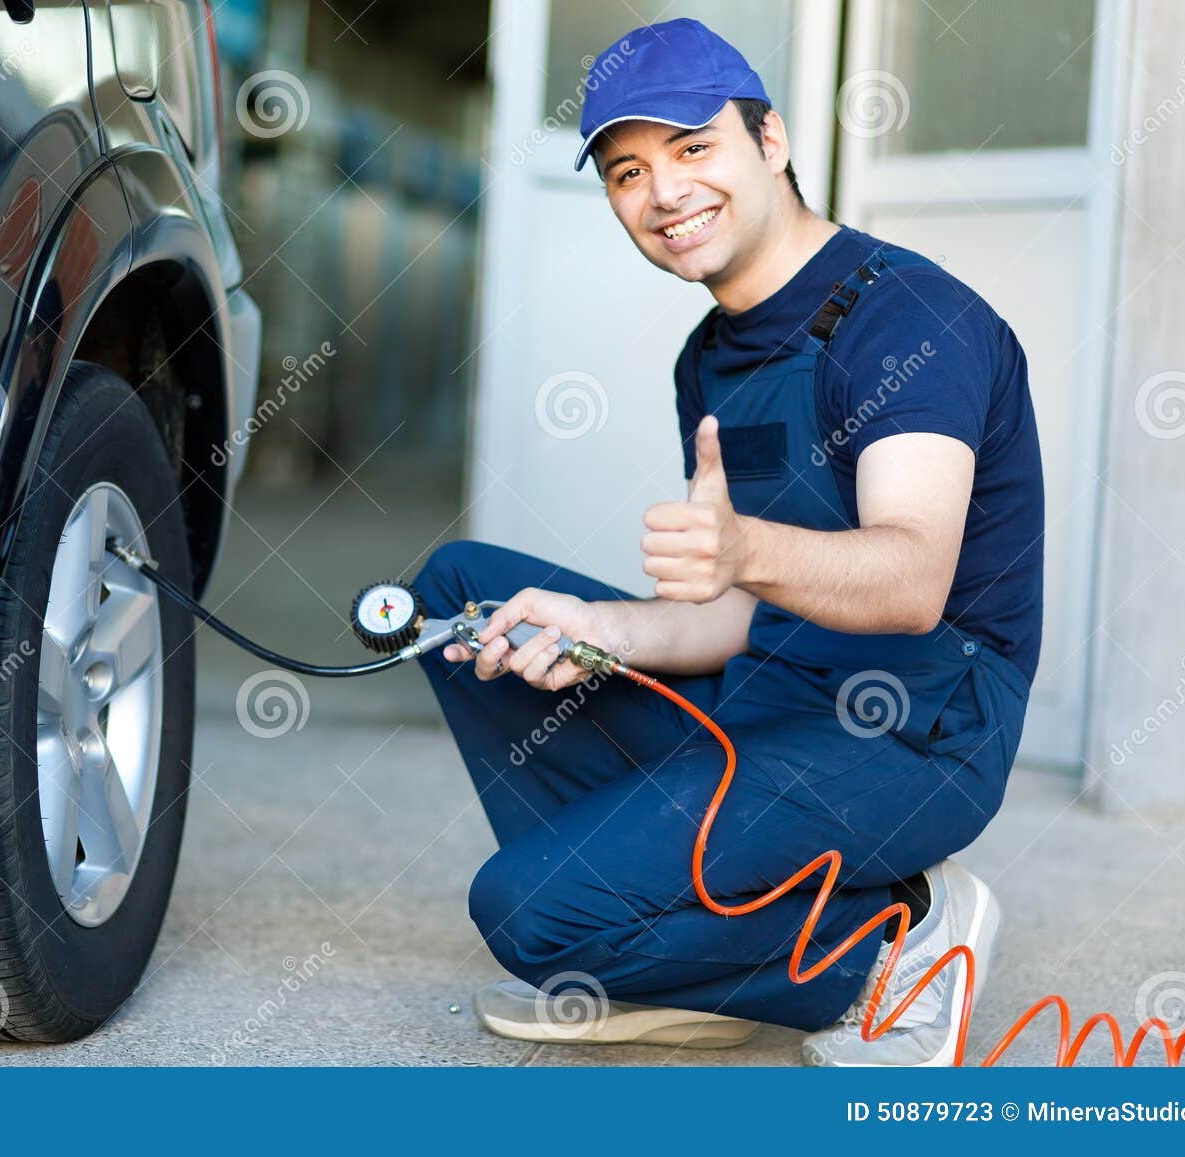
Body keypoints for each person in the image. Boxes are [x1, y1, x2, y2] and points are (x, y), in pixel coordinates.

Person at [413, 17, 1043, 1066]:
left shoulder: (907, 320)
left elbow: (913, 577)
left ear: (771, 142)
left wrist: (743, 546)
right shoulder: (708, 357)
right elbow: (727, 608)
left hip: (914, 727)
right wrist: (597, 624)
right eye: (626, 171)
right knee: (465, 593)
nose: (663, 193)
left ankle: (889, 945)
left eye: (691, 148)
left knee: (525, 913)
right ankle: (647, 944)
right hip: (774, 688)